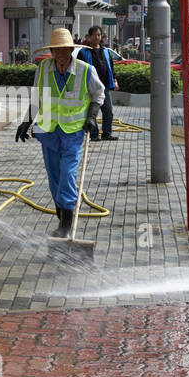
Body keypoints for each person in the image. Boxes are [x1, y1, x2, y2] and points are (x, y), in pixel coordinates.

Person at [15, 27, 106, 238]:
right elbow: (37, 97)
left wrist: (91, 117)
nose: (62, 55)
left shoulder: (85, 70)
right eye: (58, 51)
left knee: (67, 176)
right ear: (53, 51)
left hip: (73, 133)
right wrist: (25, 122)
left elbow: (99, 94)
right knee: (55, 178)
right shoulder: (43, 68)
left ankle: (66, 225)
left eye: (66, 50)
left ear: (72, 50)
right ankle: (62, 217)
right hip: (48, 132)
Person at [74, 25, 118, 139]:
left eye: (99, 35)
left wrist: (115, 80)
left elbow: (111, 67)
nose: (97, 37)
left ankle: (107, 134)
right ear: (89, 37)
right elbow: (78, 69)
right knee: (92, 112)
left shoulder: (106, 51)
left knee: (108, 111)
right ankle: (93, 134)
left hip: (105, 86)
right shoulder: (83, 52)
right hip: (90, 87)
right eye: (95, 35)